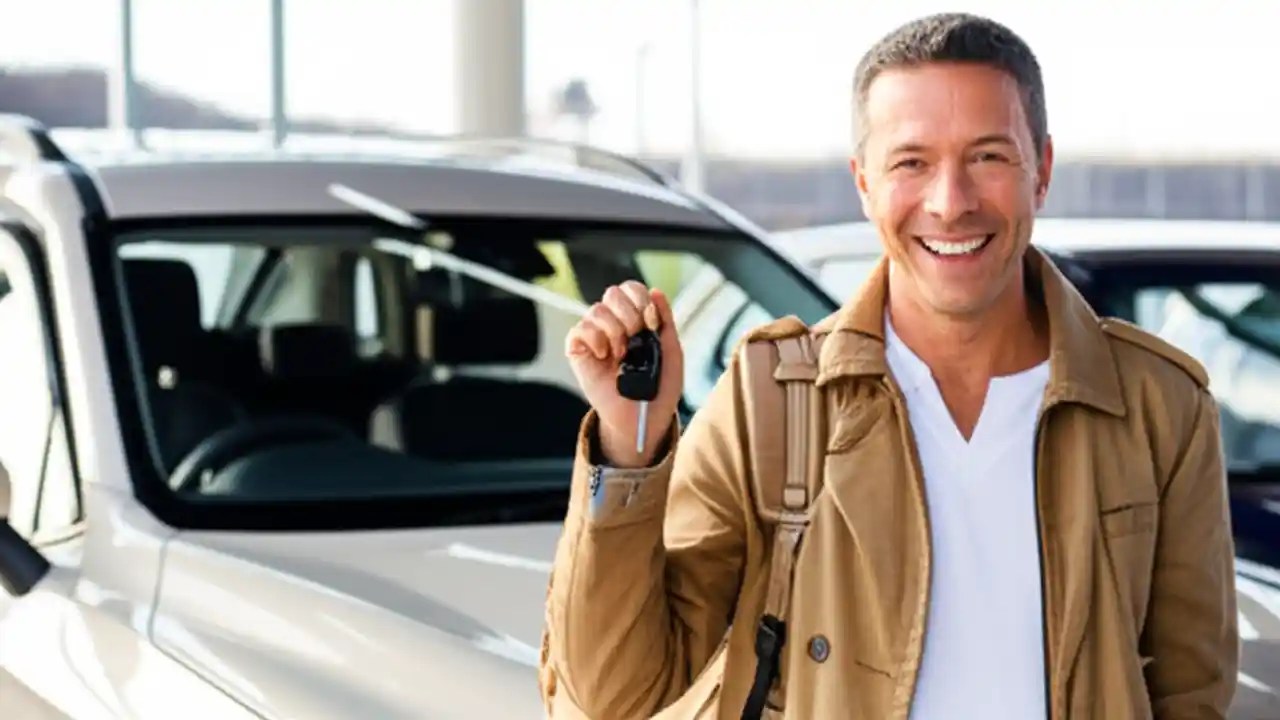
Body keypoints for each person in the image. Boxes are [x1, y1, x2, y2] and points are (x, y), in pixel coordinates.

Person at [539, 11, 1239, 719]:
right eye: (912, 162)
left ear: (1042, 171)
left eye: (988, 157)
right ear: (864, 182)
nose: (950, 202)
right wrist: (629, 448)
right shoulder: (773, 401)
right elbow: (614, 695)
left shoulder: (1159, 404)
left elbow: (1190, 691)